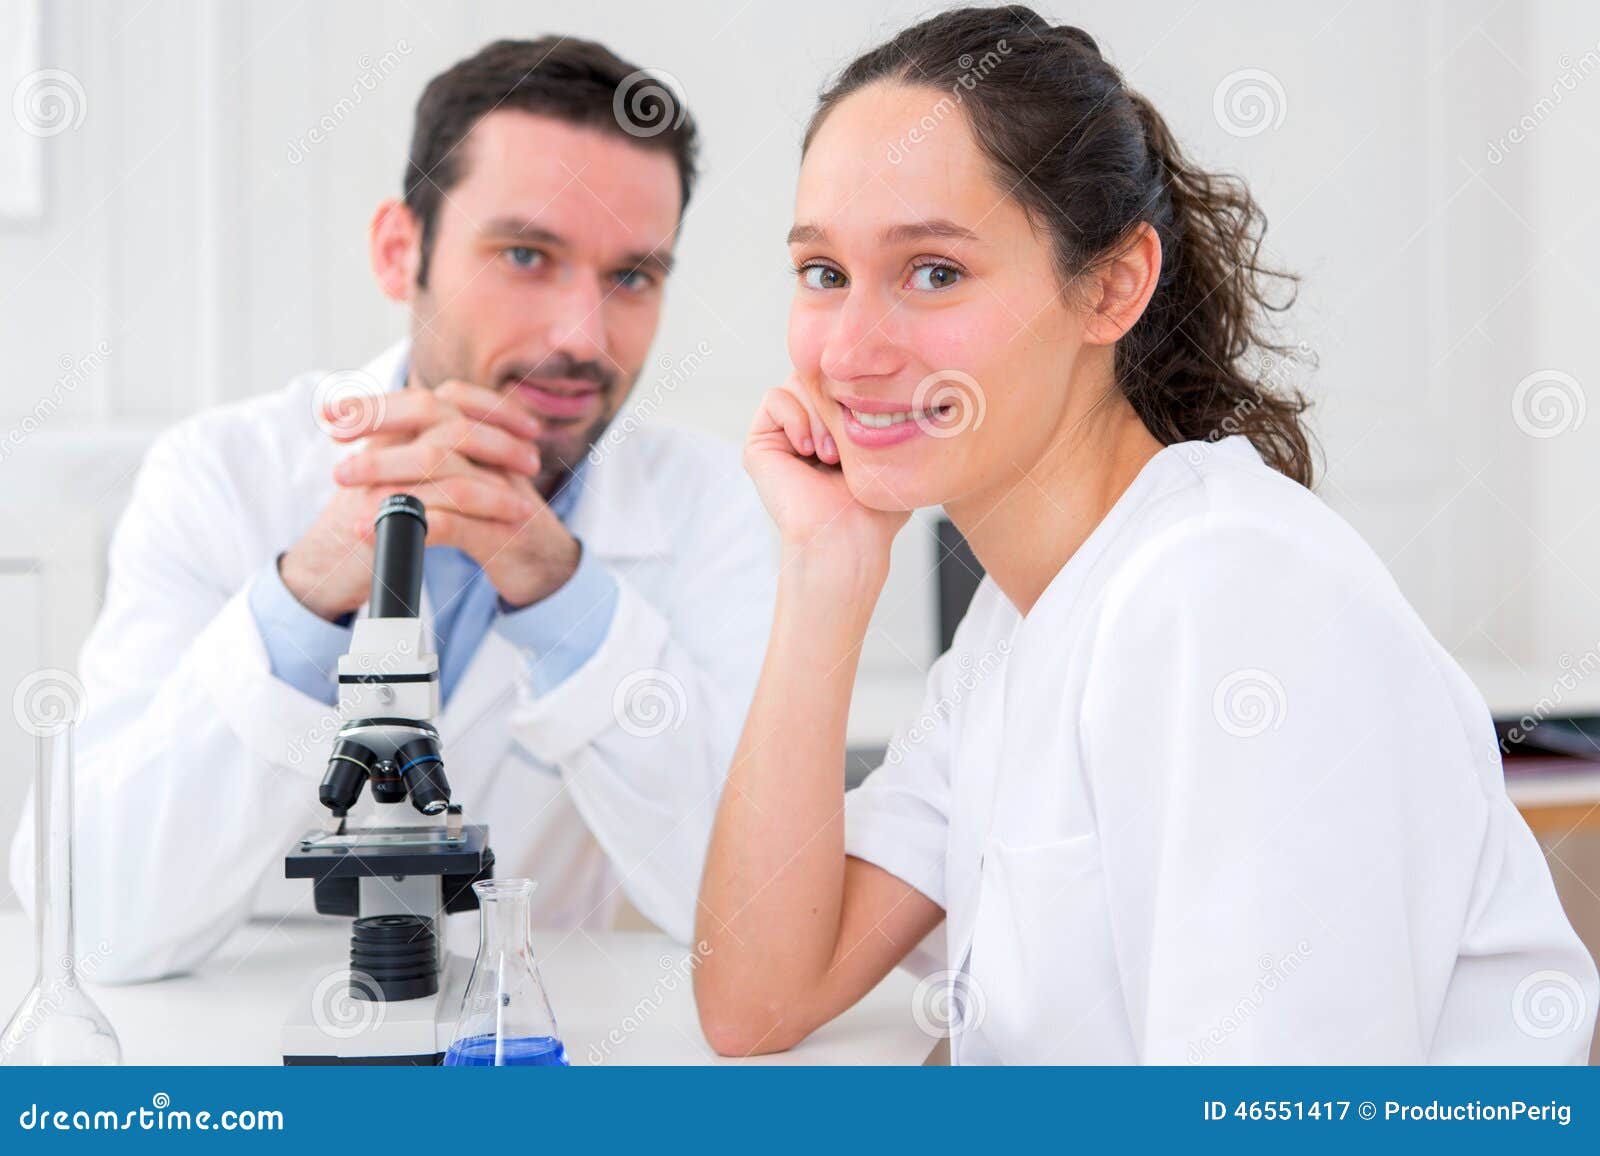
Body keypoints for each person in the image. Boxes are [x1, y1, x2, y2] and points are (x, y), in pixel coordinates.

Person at [693, 6, 1598, 1063]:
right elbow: (754, 1000)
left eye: (933, 271)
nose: (848, 350)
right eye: (824, 274)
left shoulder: (1225, 595)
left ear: (1113, 284)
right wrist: (826, 568)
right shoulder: (1017, 622)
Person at [8, 37, 774, 983]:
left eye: (633, 276)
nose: (583, 335)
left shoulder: (710, 508)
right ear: (398, 251)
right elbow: (90, 920)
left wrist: (557, 587)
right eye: (527, 254)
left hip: (531, 1044)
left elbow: (759, 913)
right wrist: (303, 595)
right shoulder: (220, 475)